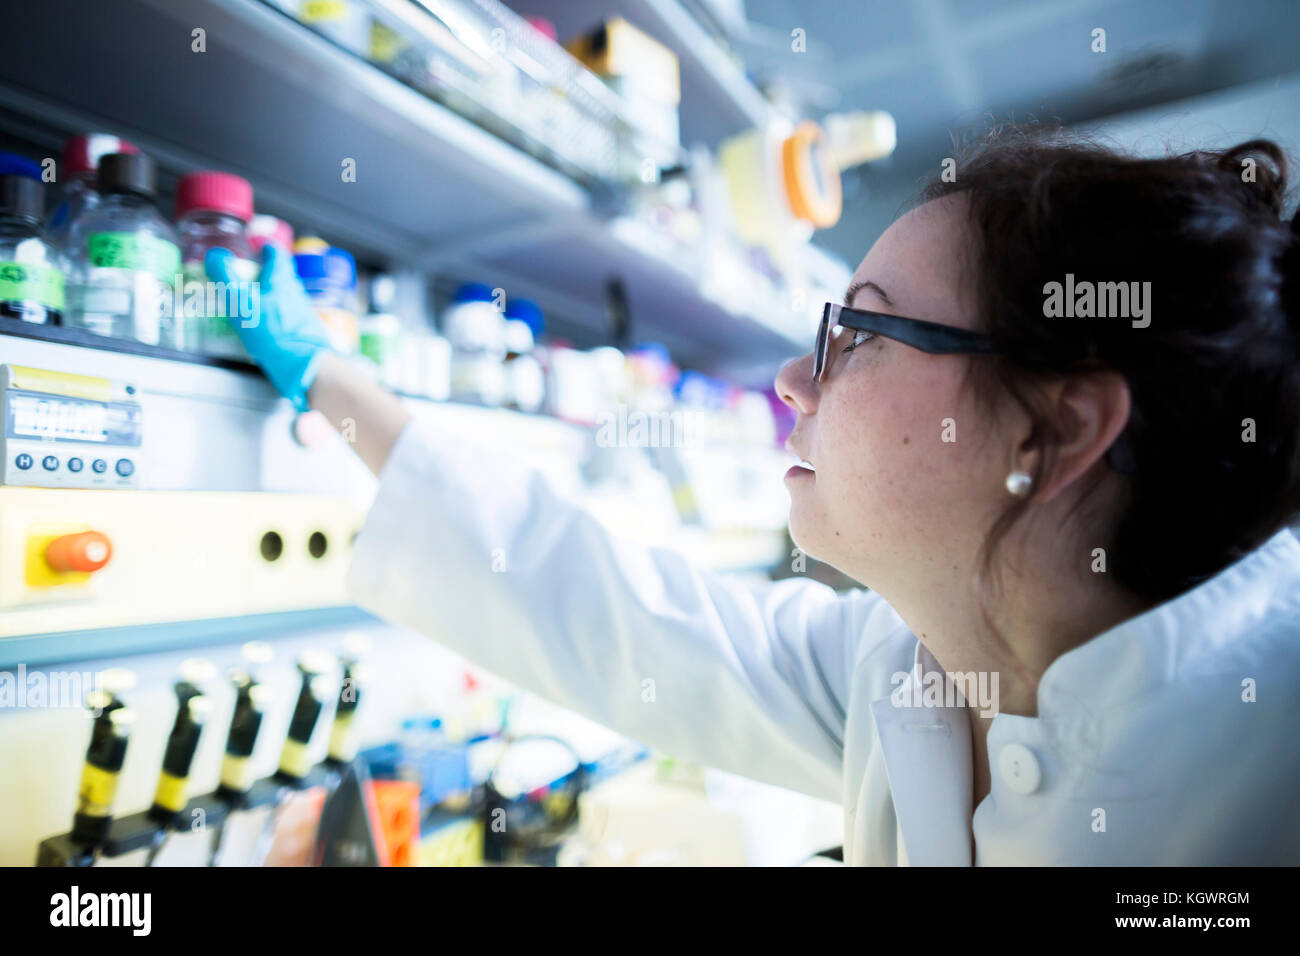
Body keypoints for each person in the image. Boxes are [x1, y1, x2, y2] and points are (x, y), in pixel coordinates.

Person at [208, 127, 1300, 865]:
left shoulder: (1266, 757)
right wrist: (334, 383)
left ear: (1052, 430)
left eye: (859, 334)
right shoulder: (913, 660)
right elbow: (630, 619)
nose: (792, 381)